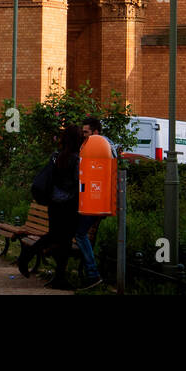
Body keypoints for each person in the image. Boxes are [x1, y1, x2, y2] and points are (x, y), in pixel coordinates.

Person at [18, 124, 82, 289]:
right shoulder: (76, 159)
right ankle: (55, 274)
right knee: (64, 241)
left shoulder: (57, 156)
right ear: (78, 139)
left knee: (55, 236)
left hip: (53, 203)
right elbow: (77, 183)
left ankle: (55, 274)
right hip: (69, 206)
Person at [75, 116, 115, 291]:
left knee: (80, 233)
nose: (83, 136)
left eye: (86, 132)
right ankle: (89, 272)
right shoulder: (104, 145)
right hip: (98, 201)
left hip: (96, 201)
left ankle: (92, 273)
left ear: (95, 132)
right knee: (80, 232)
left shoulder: (98, 146)